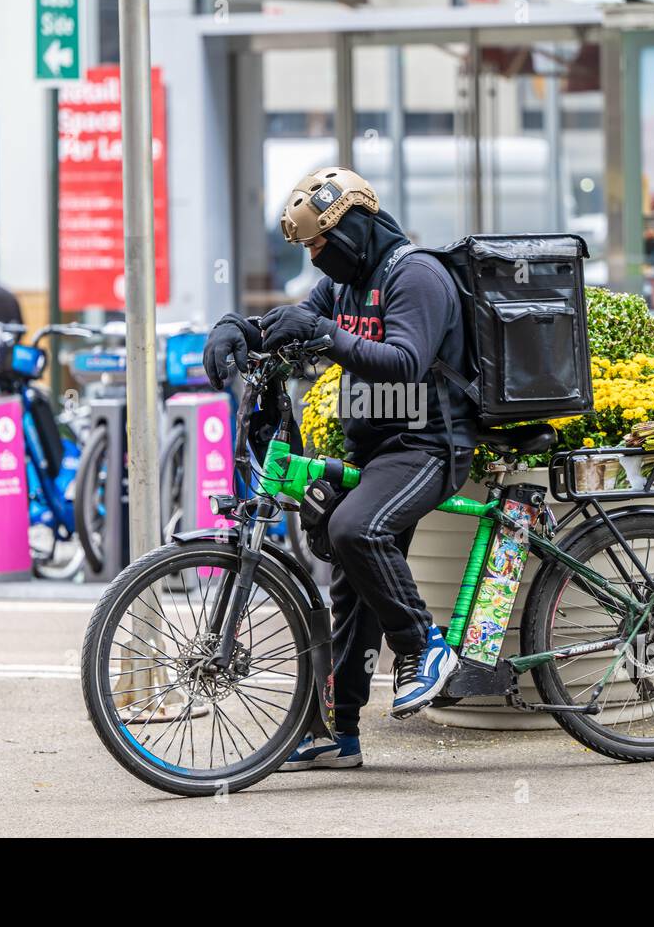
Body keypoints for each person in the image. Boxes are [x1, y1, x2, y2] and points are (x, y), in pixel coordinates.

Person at [201, 167, 476, 770]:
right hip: (375, 451)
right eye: (308, 250)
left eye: (321, 243)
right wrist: (237, 328)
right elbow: (290, 325)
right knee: (349, 581)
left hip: (429, 445)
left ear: (352, 226)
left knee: (356, 530)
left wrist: (326, 336)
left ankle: (424, 646)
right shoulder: (342, 287)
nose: (317, 258)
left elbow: (404, 361)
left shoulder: (416, 275)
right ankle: (337, 733)